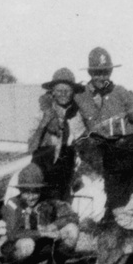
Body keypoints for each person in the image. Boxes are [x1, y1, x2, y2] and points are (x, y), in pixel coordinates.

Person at [73, 47, 133, 217]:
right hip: (110, 153)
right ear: (90, 73)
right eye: (97, 73)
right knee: (115, 204)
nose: (102, 77)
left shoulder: (121, 92)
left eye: (105, 72)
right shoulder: (80, 96)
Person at [0, 164, 81, 264]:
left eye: (35, 192)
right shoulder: (13, 204)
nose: (31, 197)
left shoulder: (49, 201)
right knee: (27, 244)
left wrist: (54, 226)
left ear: (41, 190)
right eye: (26, 192)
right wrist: (42, 233)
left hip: (44, 247)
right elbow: (13, 234)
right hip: (19, 249)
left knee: (72, 230)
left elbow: (72, 216)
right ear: (20, 191)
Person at [28, 67, 85, 201]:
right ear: (52, 92)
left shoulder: (78, 114)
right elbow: (31, 147)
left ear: (73, 92)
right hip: (43, 167)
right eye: (59, 90)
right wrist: (44, 122)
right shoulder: (41, 112)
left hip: (68, 170)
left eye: (67, 90)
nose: (63, 94)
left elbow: (82, 144)